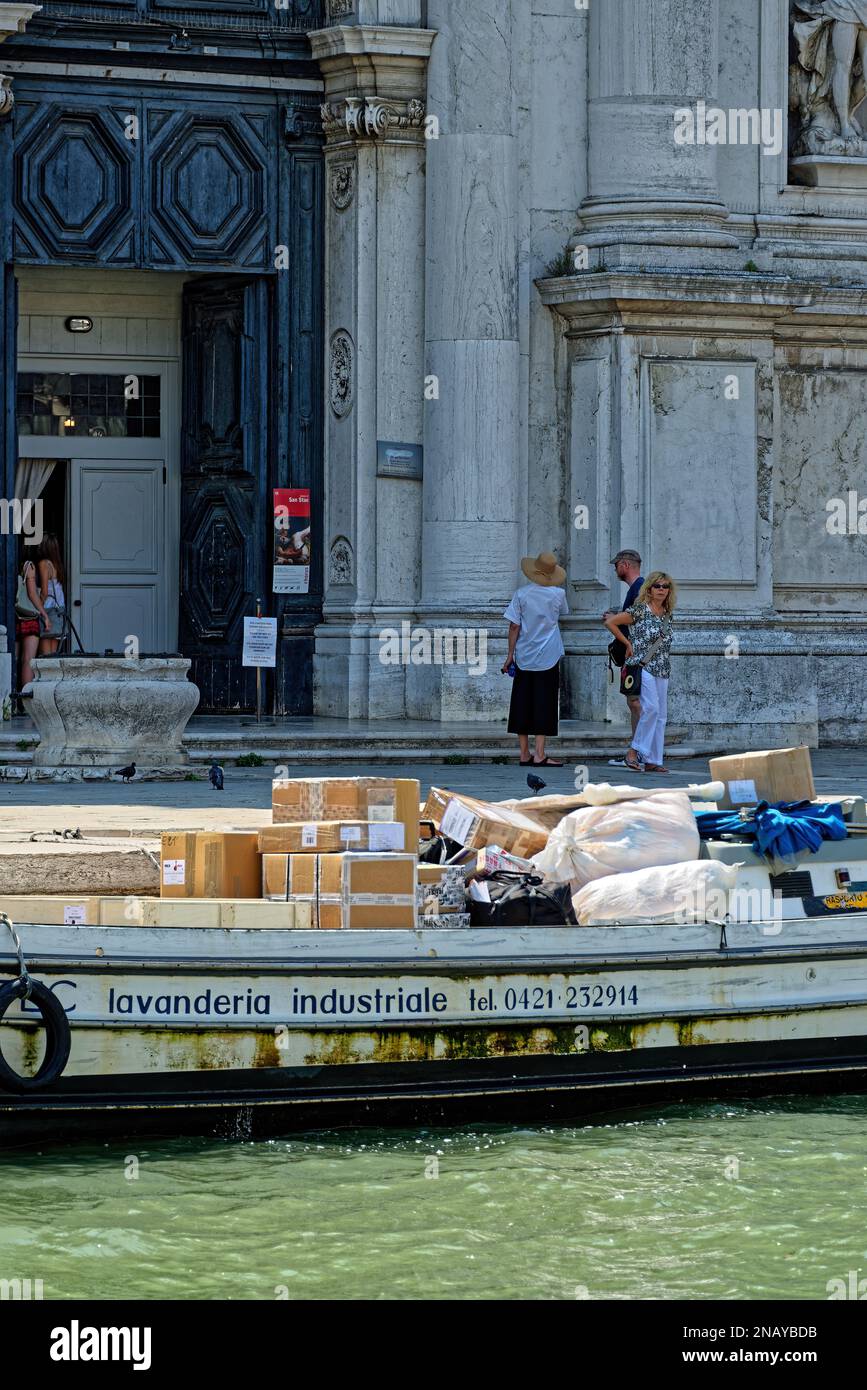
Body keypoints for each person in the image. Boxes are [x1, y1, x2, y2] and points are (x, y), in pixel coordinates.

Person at [604, 571, 676, 773]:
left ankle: (653, 759)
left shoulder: (668, 614)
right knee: (651, 708)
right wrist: (627, 643)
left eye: (666, 586)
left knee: (661, 715)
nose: (662, 590)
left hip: (662, 667)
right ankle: (634, 751)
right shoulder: (639, 610)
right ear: (650, 589)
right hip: (642, 665)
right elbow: (611, 622)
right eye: (658, 586)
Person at [502, 551, 569, 767]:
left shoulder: (521, 594)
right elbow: (561, 615)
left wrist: (510, 655)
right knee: (545, 703)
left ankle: (524, 753)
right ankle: (539, 753)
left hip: (524, 654)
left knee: (522, 702)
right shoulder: (558, 594)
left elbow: (514, 626)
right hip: (548, 654)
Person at [604, 549, 644, 761]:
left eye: (616, 564)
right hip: (635, 653)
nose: (615, 568)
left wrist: (614, 618)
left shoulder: (639, 588)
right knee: (634, 702)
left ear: (625, 565)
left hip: (635, 654)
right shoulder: (638, 588)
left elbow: (638, 619)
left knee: (635, 701)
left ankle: (637, 751)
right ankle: (637, 749)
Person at [15, 553, 49, 694]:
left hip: (14, 617)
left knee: (14, 658)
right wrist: (44, 614)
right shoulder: (30, 565)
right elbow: (31, 593)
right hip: (28, 618)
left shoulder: (12, 563)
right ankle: (25, 699)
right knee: (28, 659)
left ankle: (9, 701)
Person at [35, 532, 66, 656]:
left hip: (48, 610)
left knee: (46, 658)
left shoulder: (43, 564)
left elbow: (45, 592)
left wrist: (37, 609)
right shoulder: (56, 564)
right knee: (54, 657)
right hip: (59, 611)